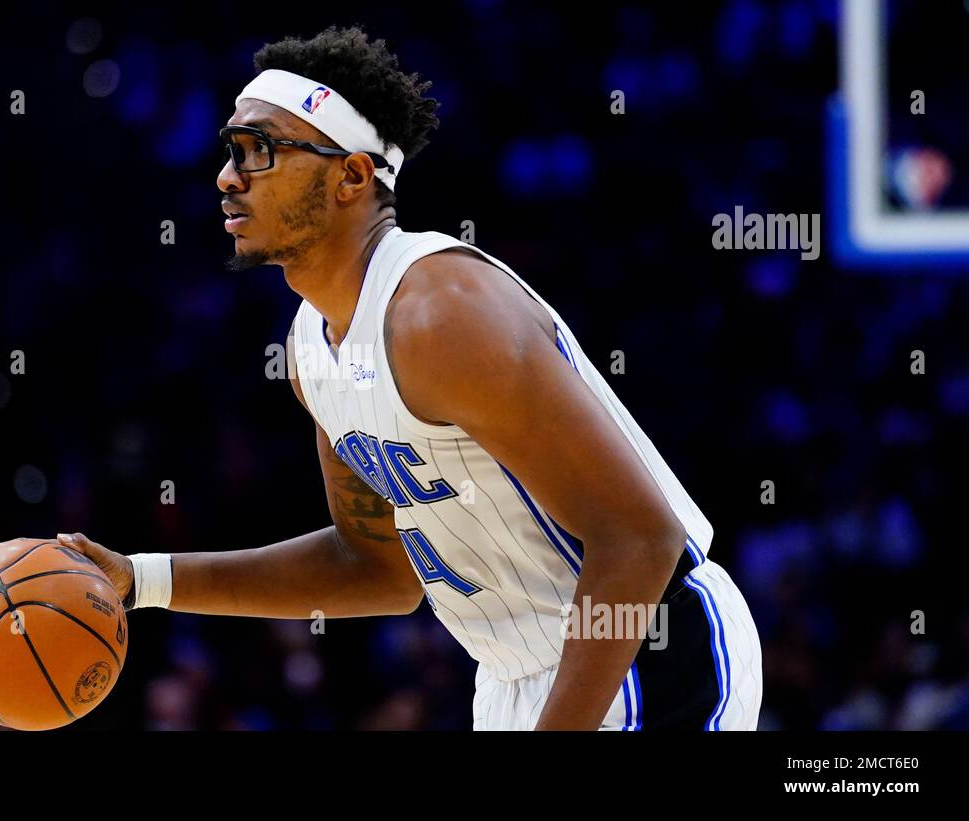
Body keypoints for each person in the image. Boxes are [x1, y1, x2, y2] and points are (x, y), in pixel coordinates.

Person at [56, 25, 762, 730]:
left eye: (260, 150)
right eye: (231, 151)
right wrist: (141, 578)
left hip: (650, 650)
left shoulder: (440, 315)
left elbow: (639, 539)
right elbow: (374, 568)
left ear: (352, 177)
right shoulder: (311, 347)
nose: (228, 177)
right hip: (518, 676)